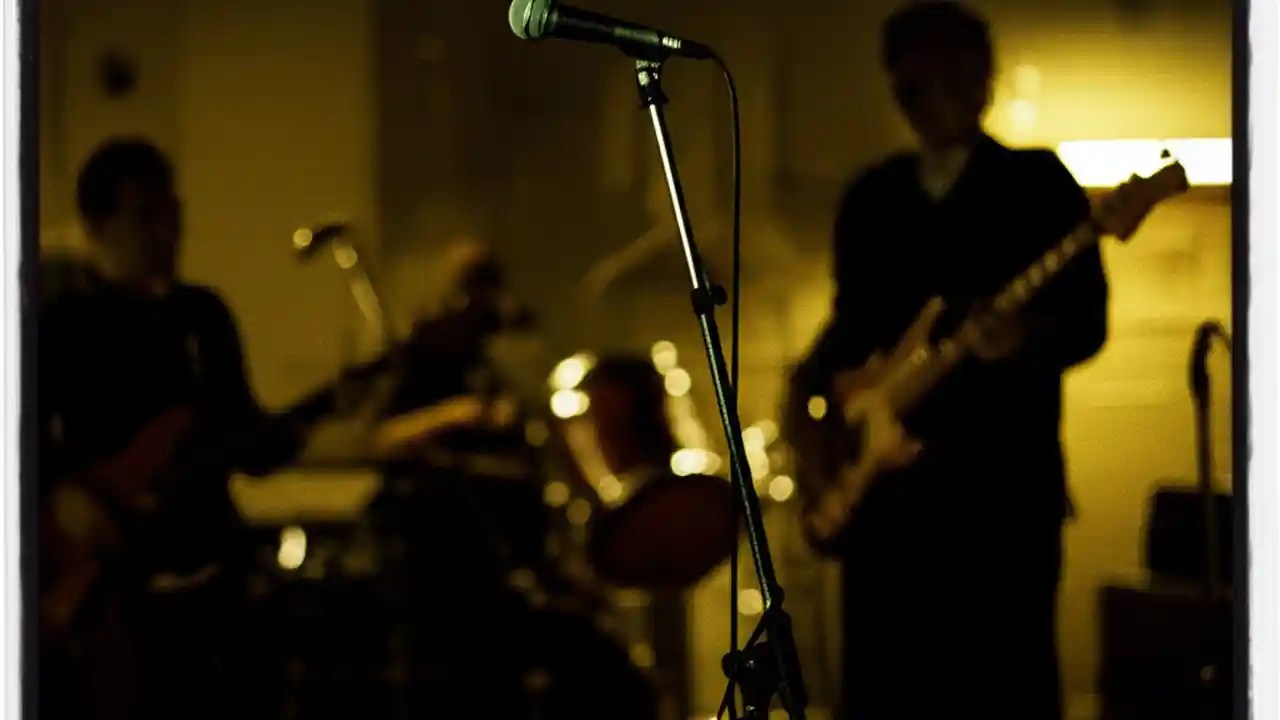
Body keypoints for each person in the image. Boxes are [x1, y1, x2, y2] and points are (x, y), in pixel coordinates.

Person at [787, 3, 1109, 718]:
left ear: (982, 84)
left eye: (954, 81)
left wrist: (1022, 339)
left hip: (1001, 500)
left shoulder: (1037, 184)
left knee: (1004, 684)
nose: (935, 100)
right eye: (916, 85)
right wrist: (819, 411)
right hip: (888, 508)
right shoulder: (872, 197)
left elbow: (1087, 324)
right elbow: (851, 327)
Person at [38, 138, 323, 719]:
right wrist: (62, 493)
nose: (168, 231)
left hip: (209, 581)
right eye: (146, 215)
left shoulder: (203, 318)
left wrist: (316, 421)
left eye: (173, 212)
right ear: (98, 225)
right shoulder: (61, 323)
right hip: (114, 600)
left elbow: (245, 440)